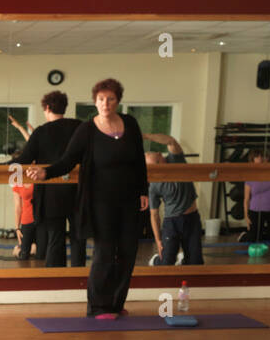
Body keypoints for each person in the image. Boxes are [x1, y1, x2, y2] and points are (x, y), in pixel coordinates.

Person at [26, 79, 149, 318]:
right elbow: (67, 160)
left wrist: (144, 191)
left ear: (118, 101)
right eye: (101, 99)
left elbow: (139, 162)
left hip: (130, 199)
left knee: (127, 252)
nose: (106, 103)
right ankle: (98, 306)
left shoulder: (130, 125)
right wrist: (45, 172)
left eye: (110, 99)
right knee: (104, 252)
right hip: (100, 201)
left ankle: (116, 303)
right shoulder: (87, 130)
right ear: (95, 101)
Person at [8, 91, 85, 268]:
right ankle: (78, 279)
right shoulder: (80, 127)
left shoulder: (42, 132)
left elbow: (23, 160)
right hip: (78, 191)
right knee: (78, 238)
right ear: (64, 107)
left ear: (47, 108)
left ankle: (57, 281)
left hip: (51, 193)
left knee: (55, 239)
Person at [144, 132, 202, 266]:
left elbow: (170, 141)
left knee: (195, 262)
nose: (157, 168)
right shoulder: (153, 185)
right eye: (153, 167)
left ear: (161, 155)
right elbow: (154, 214)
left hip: (191, 218)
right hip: (171, 223)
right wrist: (158, 241)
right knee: (166, 263)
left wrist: (146, 136)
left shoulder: (176, 160)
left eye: (157, 162)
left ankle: (184, 260)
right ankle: (156, 260)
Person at [11, 175, 36, 260]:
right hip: (27, 220)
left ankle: (33, 246)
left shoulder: (37, 179)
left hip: (39, 220)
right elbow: (17, 207)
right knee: (24, 255)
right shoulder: (18, 184)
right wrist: (17, 228)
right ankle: (16, 250)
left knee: (39, 253)